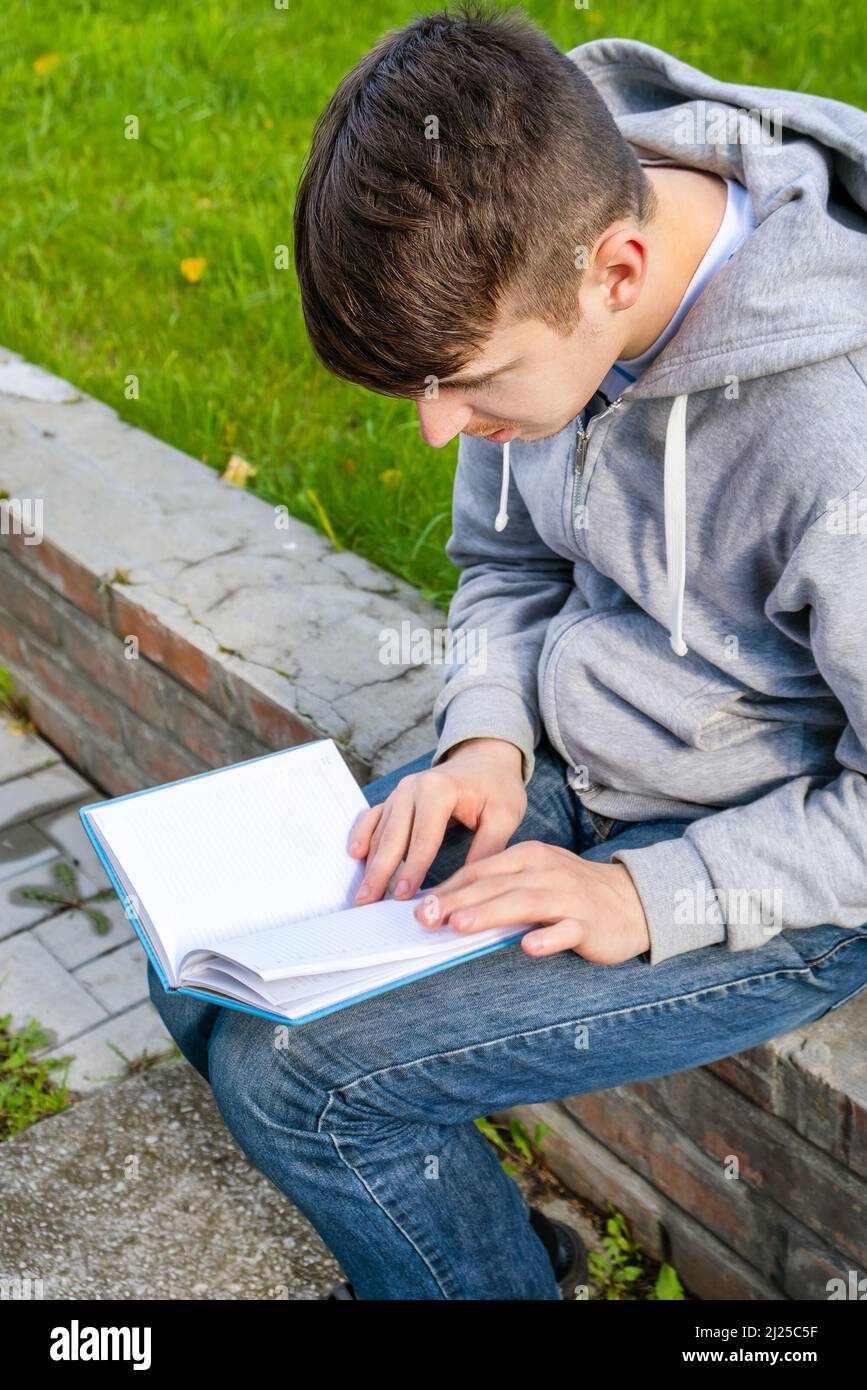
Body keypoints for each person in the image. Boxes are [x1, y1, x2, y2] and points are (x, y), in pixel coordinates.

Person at [150, 5, 867, 1299]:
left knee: (311, 1090)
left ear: (620, 272)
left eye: (467, 383)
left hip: (780, 863)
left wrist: (641, 898)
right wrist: (485, 732)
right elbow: (507, 563)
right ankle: (474, 1256)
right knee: (199, 968)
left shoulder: (836, 438)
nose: (440, 431)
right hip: (584, 756)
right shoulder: (534, 228)